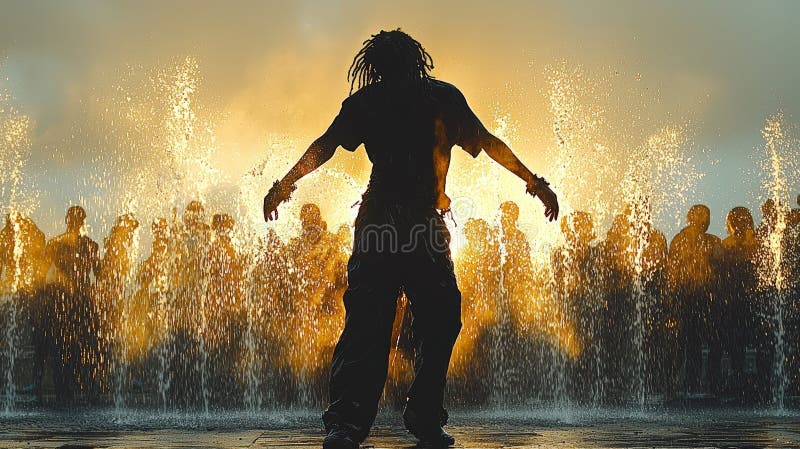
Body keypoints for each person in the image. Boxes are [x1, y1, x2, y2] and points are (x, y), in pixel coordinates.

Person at [263, 29, 558, 449]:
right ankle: (353, 422)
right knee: (373, 324)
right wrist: (284, 185)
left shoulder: (428, 99)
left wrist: (535, 183)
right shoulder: (387, 102)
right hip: (396, 223)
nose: (391, 75)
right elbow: (325, 145)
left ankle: (407, 417)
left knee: (430, 318)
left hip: (404, 225)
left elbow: (490, 143)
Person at [44, 205, 100, 403]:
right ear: (83, 221)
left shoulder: (54, 244)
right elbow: (100, 275)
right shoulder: (91, 246)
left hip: (61, 302)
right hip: (81, 302)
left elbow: (46, 276)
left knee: (62, 347)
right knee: (84, 346)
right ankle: (84, 388)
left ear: (67, 220)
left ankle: (64, 390)